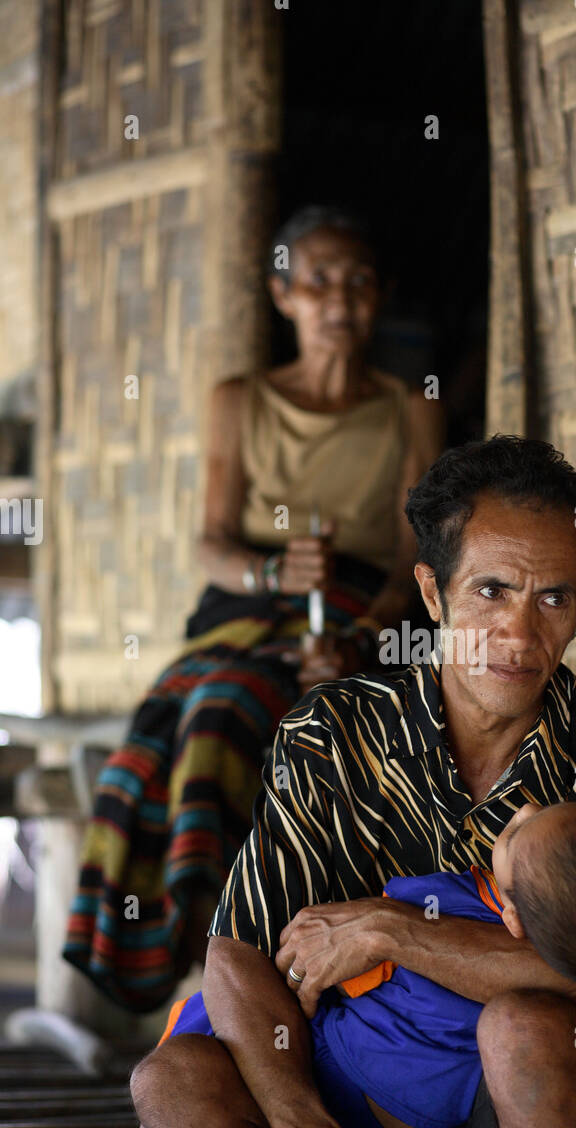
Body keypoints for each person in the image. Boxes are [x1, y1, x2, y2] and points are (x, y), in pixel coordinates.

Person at [129, 434, 576, 1128]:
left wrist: (394, 930)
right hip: (361, 1081)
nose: (519, 631)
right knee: (169, 1081)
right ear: (432, 592)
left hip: (547, 1089)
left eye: (555, 597)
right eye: (492, 591)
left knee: (523, 1026)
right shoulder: (333, 733)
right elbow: (238, 952)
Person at [63, 205, 444, 1014]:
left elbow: (423, 560)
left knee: (233, 704)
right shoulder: (240, 400)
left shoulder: (411, 408)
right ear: (283, 295)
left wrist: (360, 637)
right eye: (317, 281)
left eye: (358, 282)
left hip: (357, 617)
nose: (338, 299)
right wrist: (272, 573)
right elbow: (209, 543)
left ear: (379, 297)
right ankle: (201, 942)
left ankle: (229, 963)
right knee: (201, 708)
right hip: (245, 610)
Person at [86, 797, 576, 1128]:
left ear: (513, 918)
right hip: (402, 1124)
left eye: (517, 833)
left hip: (339, 1070)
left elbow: (340, 960)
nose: (523, 809)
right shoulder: (573, 979)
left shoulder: (452, 905)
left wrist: (311, 975)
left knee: (221, 1013)